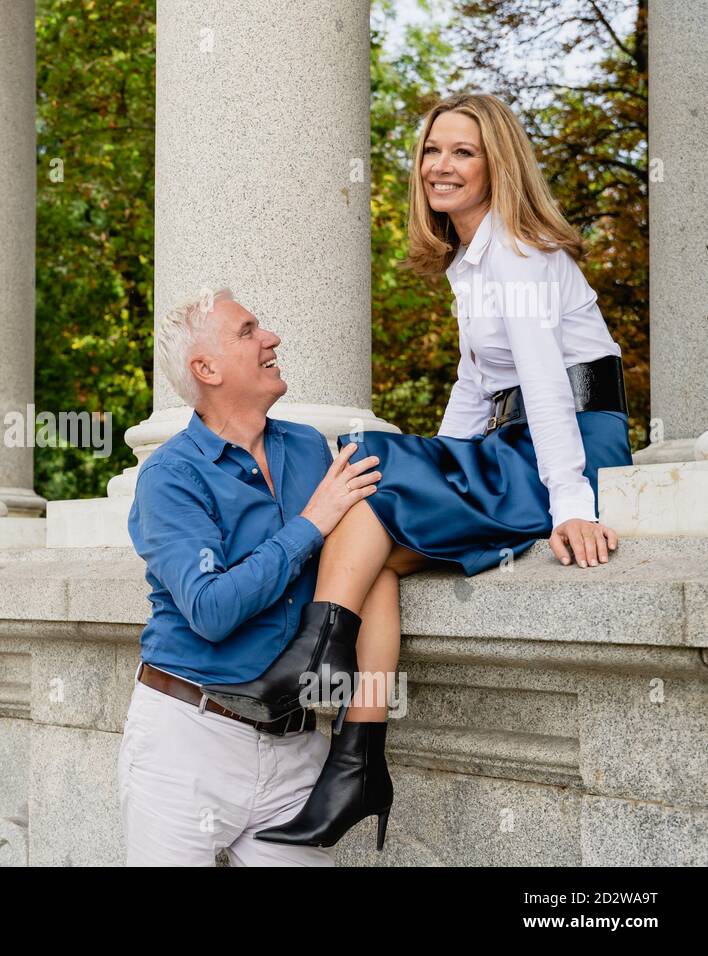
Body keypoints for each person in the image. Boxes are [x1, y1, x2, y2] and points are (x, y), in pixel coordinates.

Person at [201, 92, 633, 852]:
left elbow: (540, 379)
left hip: (565, 445)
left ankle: (316, 662)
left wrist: (572, 504)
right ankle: (356, 760)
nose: (441, 165)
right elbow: (475, 388)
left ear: (498, 163)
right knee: (374, 531)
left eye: (463, 152)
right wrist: (432, 466)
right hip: (512, 445)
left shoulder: (523, 253)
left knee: (369, 470)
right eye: (433, 151)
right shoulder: (473, 260)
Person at [121, 287, 383, 865]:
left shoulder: (311, 451)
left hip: (295, 744)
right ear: (206, 368)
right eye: (247, 331)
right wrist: (313, 522)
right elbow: (211, 609)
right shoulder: (171, 476)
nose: (271, 339)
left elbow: (366, 553)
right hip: (187, 741)